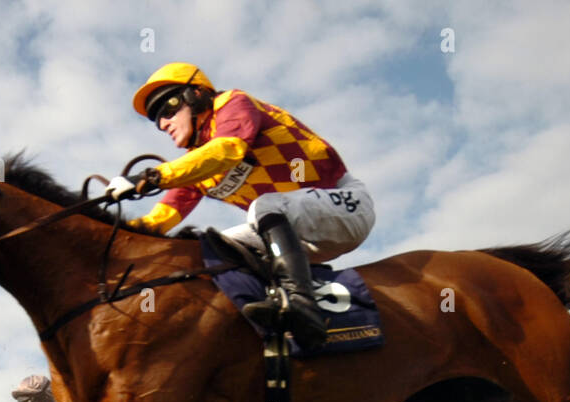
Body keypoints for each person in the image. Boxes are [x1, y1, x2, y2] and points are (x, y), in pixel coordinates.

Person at [107, 62, 376, 350]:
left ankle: (303, 309)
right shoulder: (197, 162)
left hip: (346, 204)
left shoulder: (233, 103)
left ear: (196, 95)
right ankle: (265, 324)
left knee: (264, 206)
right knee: (208, 250)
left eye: (168, 110)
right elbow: (161, 219)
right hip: (300, 234)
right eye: (157, 120)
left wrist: (154, 176)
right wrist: (109, 230)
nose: (163, 124)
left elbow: (228, 149)